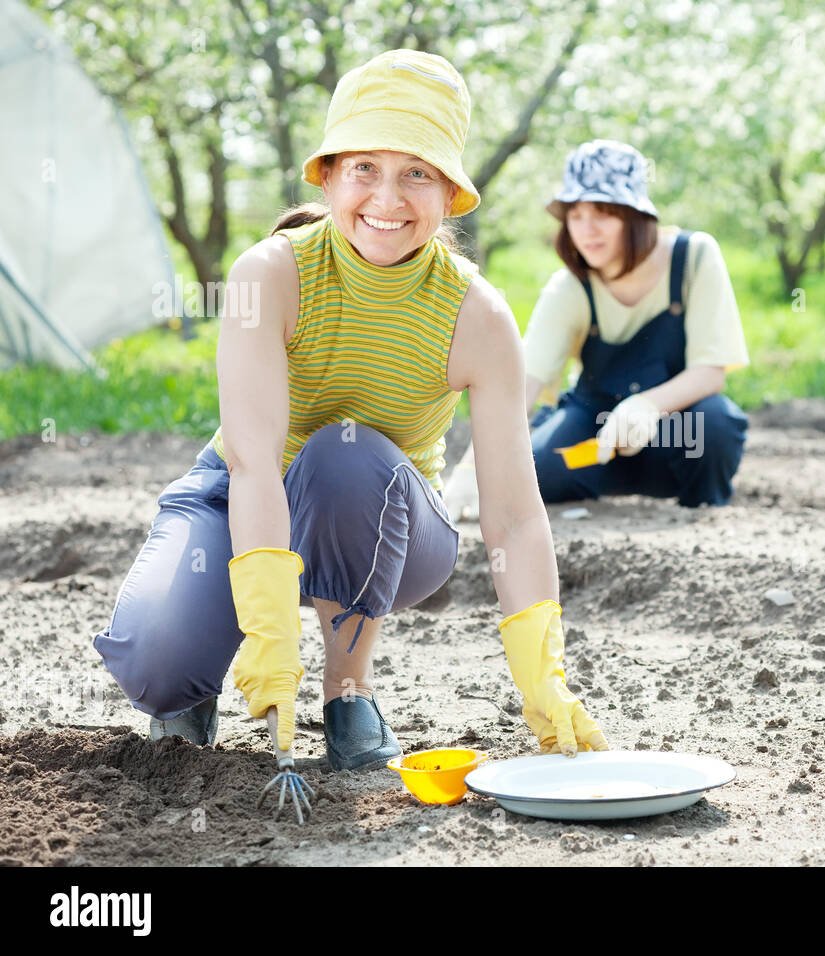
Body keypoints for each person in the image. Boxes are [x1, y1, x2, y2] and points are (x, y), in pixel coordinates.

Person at [91, 50, 607, 773]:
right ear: (328, 175)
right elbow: (251, 457)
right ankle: (193, 676)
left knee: (346, 450)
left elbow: (516, 518)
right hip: (245, 488)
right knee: (156, 663)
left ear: (452, 194)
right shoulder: (268, 274)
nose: (388, 200)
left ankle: (349, 690)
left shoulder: (478, 316)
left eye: (417, 173)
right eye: (365, 168)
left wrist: (544, 677)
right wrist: (269, 630)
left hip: (386, 518)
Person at [442, 139, 750, 519]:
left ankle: (704, 513)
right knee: (540, 467)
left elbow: (710, 372)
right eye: (575, 215)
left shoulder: (693, 258)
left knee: (714, 426)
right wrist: (474, 470)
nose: (587, 230)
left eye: (603, 213)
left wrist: (646, 405)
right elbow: (523, 386)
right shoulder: (570, 287)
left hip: (672, 431)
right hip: (595, 441)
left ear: (635, 216)